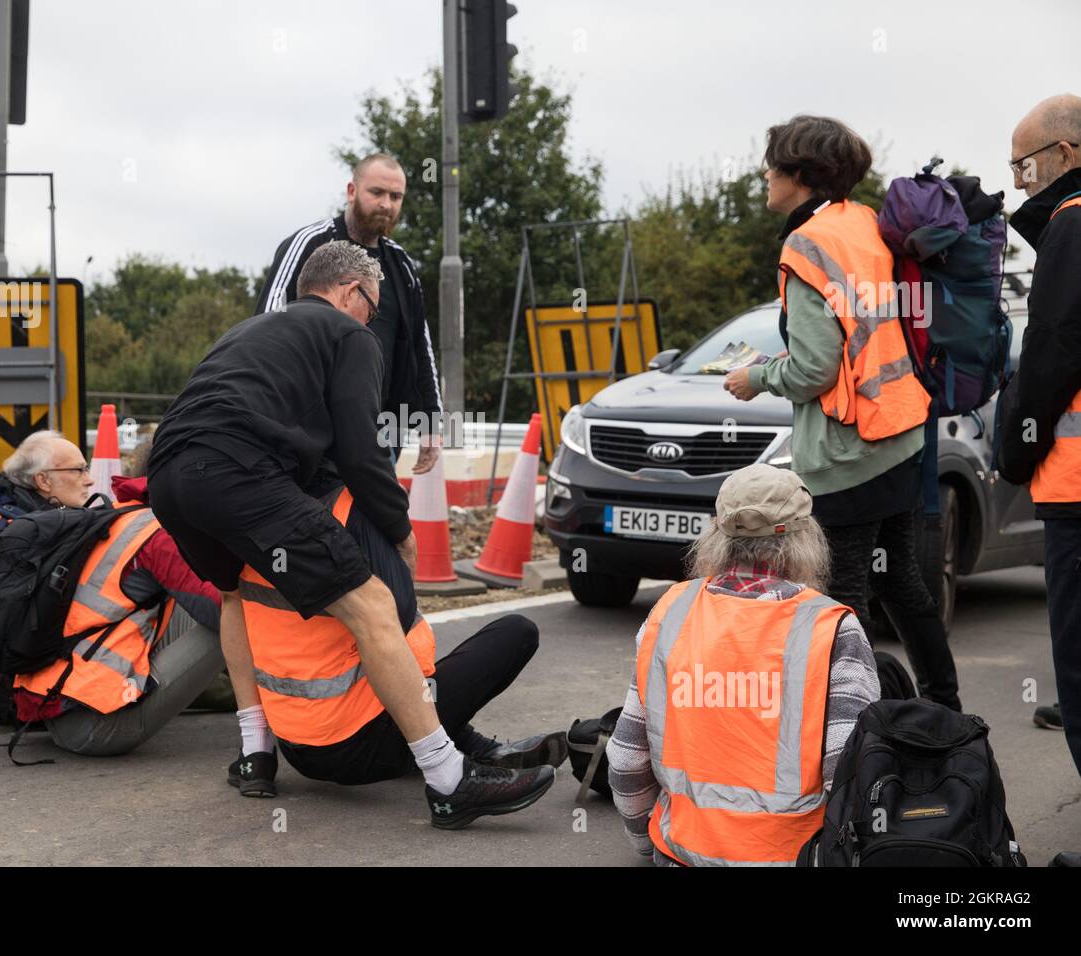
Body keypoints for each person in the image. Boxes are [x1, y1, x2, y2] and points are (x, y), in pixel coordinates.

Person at [148, 240, 554, 826]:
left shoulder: (251, 330)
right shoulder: (348, 335)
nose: (375, 319)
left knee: (234, 593)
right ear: (349, 291)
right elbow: (362, 449)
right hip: (237, 470)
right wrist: (399, 528)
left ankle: (255, 754)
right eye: (375, 305)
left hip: (168, 475)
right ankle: (447, 779)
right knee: (370, 605)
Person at [722, 114, 961, 711]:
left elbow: (813, 373)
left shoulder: (805, 246)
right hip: (900, 433)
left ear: (799, 176)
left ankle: (853, 732)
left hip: (847, 452)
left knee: (842, 596)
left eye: (772, 164)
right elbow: (854, 335)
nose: (764, 174)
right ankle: (943, 706)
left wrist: (756, 378)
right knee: (901, 579)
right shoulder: (863, 223)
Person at [232, 474, 566, 823]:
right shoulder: (347, 510)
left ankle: (481, 748)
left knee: (388, 667)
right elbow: (405, 628)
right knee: (516, 632)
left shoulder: (249, 515)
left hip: (296, 747)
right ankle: (458, 763)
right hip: (361, 743)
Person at [606, 464, 881, 866]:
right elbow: (850, 772)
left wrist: (650, 846)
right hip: (797, 858)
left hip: (681, 854)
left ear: (716, 534)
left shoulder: (668, 613)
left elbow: (627, 760)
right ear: (806, 538)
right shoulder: (832, 627)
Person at [0, 431, 224, 756]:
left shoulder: (118, 514)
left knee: (186, 598)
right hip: (100, 726)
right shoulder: (157, 533)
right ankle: (265, 724)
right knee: (238, 618)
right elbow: (219, 610)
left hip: (56, 705)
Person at [256, 153, 441, 472]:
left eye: (396, 197)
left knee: (372, 518)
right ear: (352, 191)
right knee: (315, 518)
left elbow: (419, 347)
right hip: (314, 423)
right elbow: (266, 327)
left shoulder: (402, 265)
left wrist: (431, 421)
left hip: (383, 427)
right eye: (377, 192)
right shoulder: (307, 244)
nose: (386, 204)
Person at [997, 94, 1081, 764]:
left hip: (1077, 490)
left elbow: (1050, 353)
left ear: (1066, 154)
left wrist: (1017, 452)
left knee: (1078, 669)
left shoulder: (1074, 225)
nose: (1019, 180)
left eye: (1024, 166)